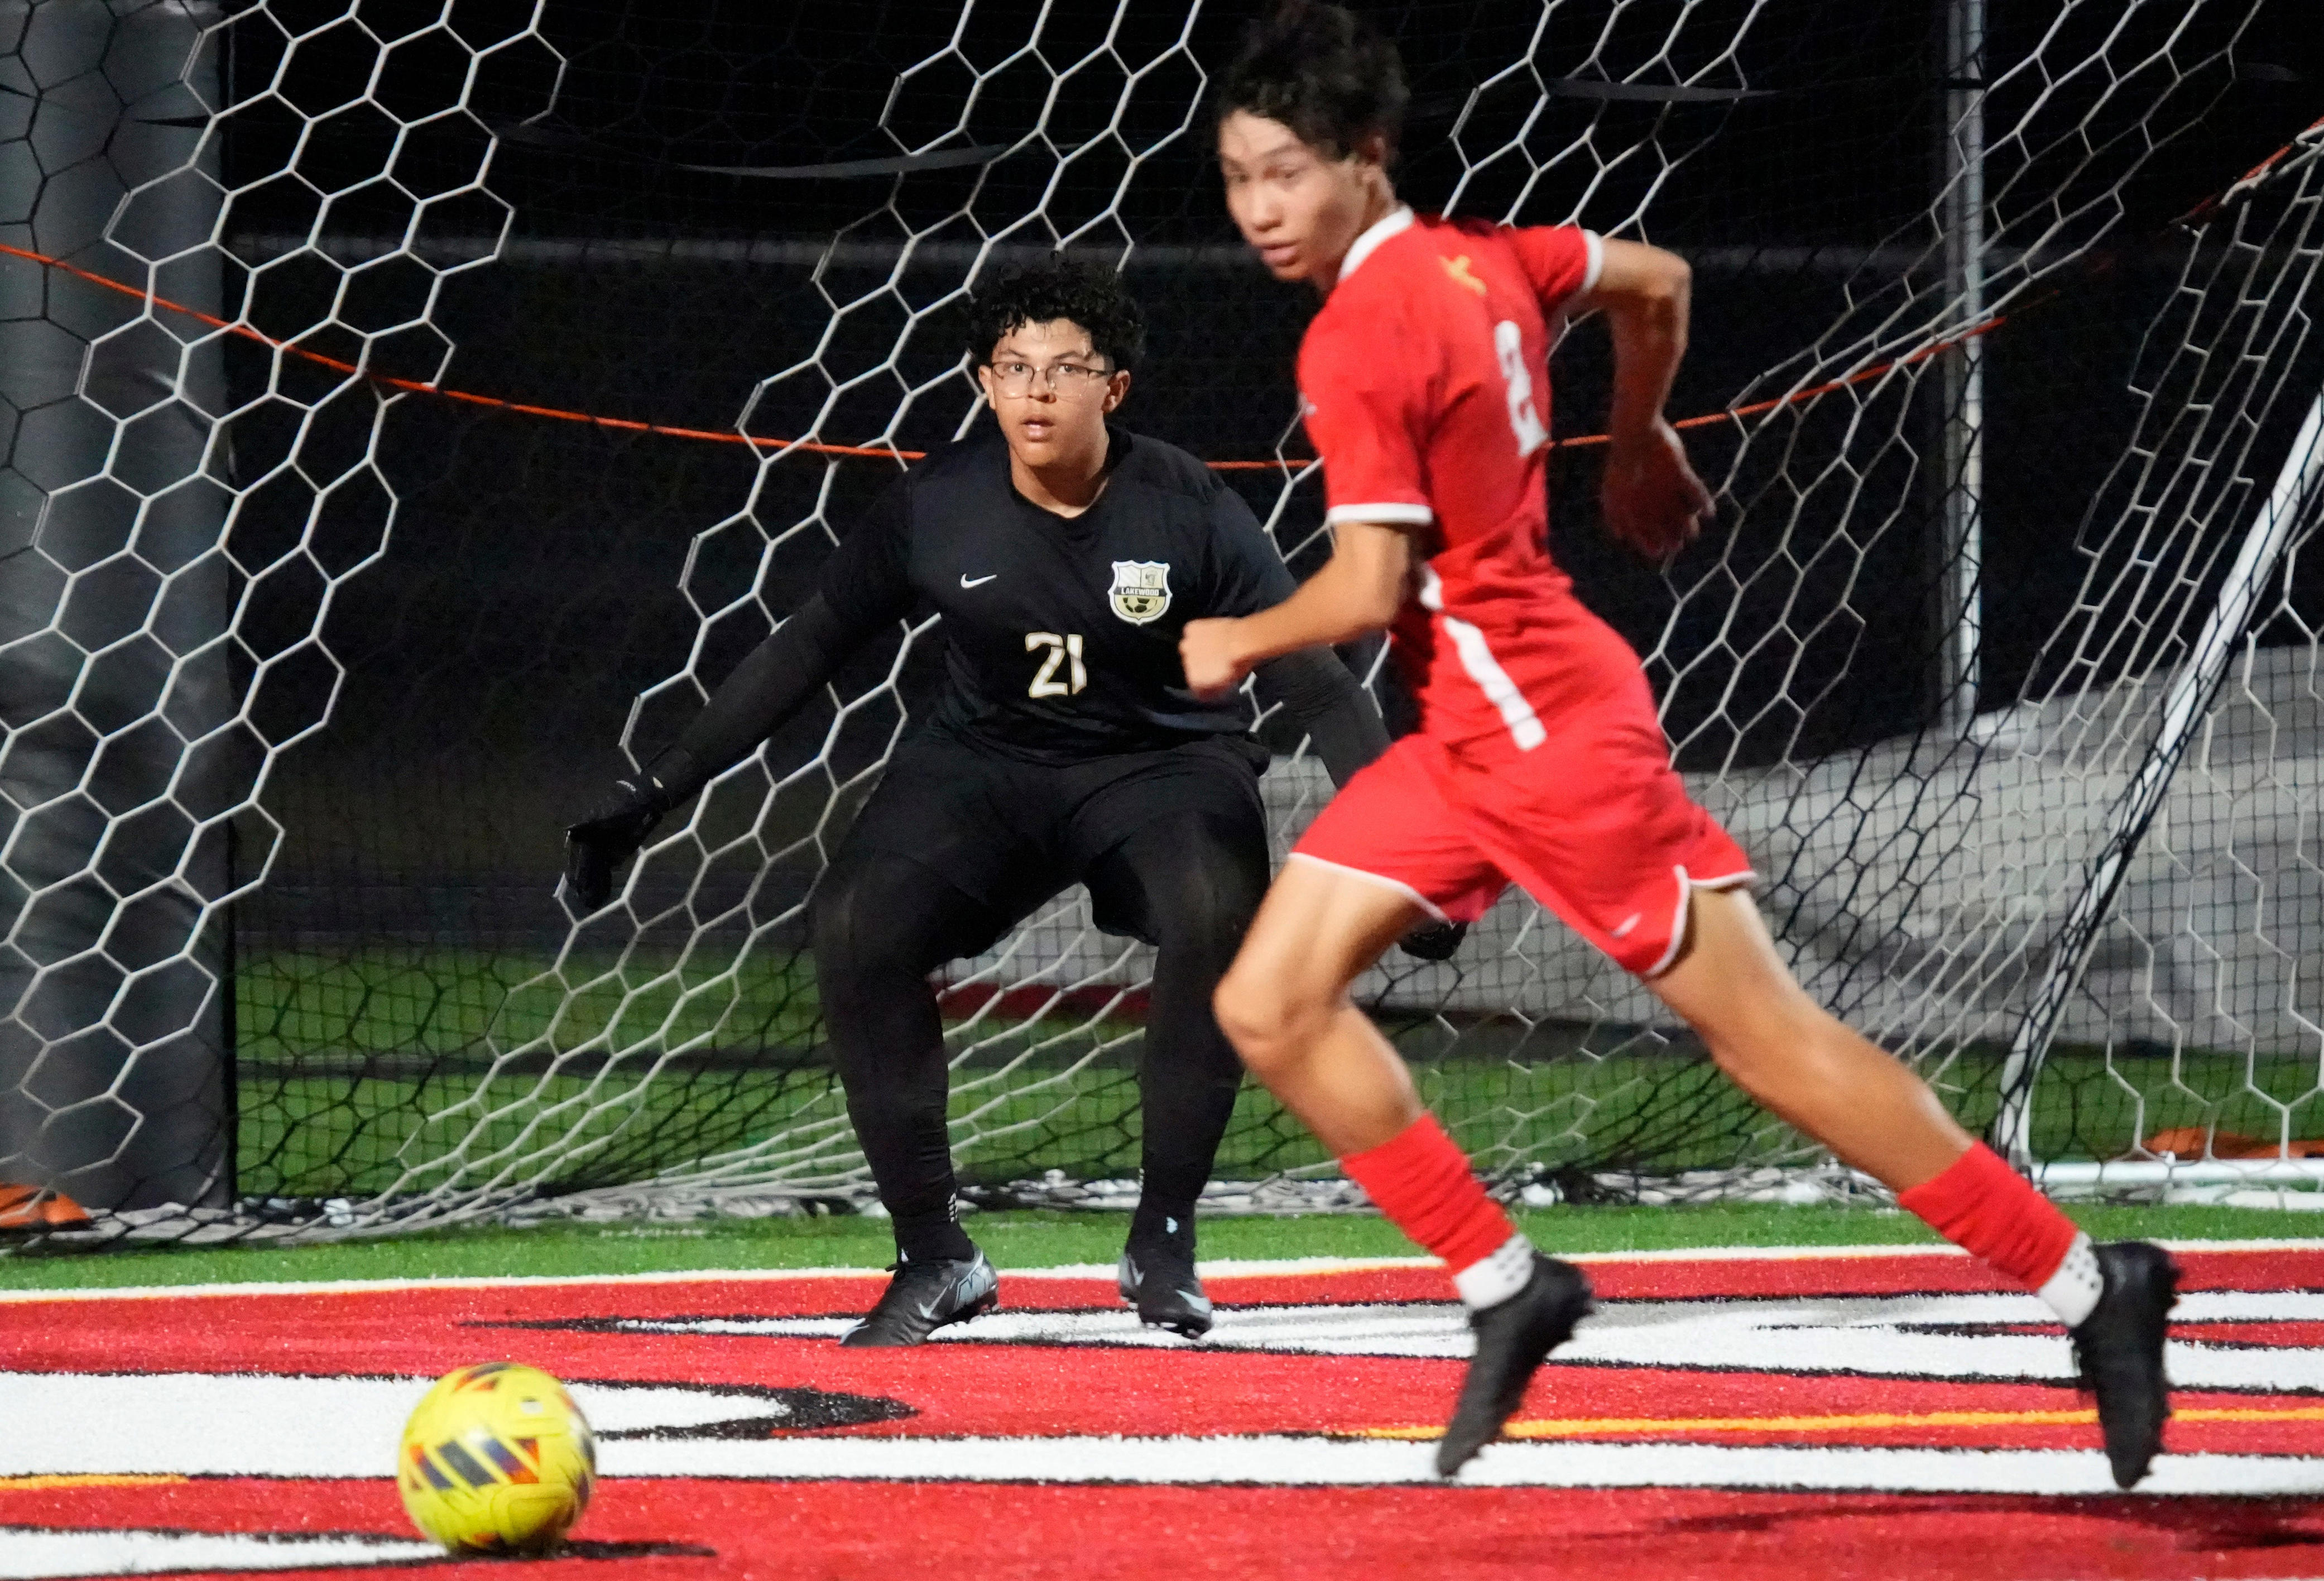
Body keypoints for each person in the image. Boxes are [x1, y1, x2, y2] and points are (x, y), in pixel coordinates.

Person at [1179, 1, 2177, 1484]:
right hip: (1472, 732)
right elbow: (1654, 279)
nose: (1259, 209)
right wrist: (1638, 434)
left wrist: (1233, 640)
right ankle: (1509, 1286)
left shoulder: (1361, 329)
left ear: (1367, 158)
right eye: (1236, 179)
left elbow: (1364, 589)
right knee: (1267, 1002)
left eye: (1284, 173)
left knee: (1768, 1043)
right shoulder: (1493, 256)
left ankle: (2094, 1287)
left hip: (1542, 742)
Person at [566, 259, 1449, 1345]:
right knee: (855, 924)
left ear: (1113, 386)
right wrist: (655, 794)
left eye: (1064, 368)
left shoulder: (1192, 506)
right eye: (1012, 368)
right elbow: (804, 649)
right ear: (985, 381)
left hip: (1162, 764)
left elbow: (1315, 677)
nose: (1035, 391)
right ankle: (935, 1257)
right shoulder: (938, 505)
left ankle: (1162, 1240)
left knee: (1213, 914)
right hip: (984, 766)